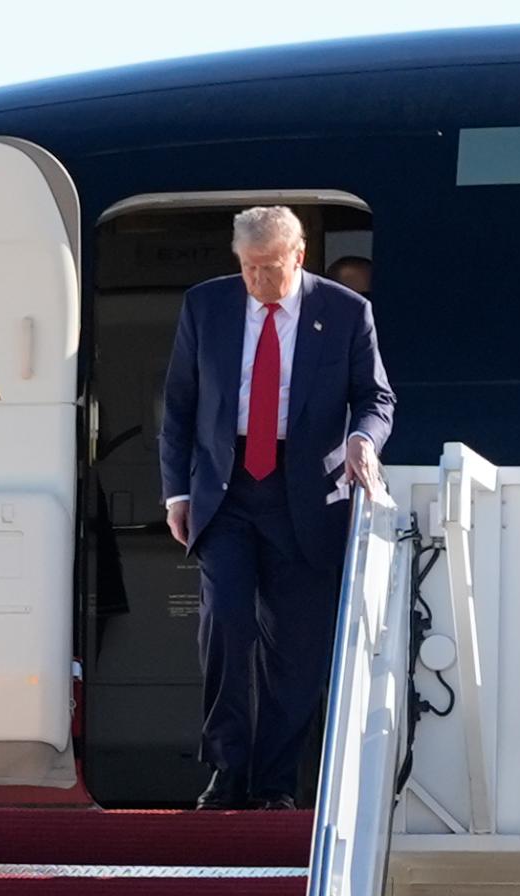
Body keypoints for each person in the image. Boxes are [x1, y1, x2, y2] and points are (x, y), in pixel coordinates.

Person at [159, 207, 394, 810]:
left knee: (296, 651)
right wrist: (177, 493)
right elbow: (180, 406)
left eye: (269, 268)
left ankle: (275, 786)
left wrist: (362, 440)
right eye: (247, 268)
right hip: (226, 489)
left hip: (307, 496)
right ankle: (225, 770)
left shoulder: (345, 311)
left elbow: (376, 398)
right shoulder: (206, 305)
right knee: (226, 627)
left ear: (298, 255)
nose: (258, 281)